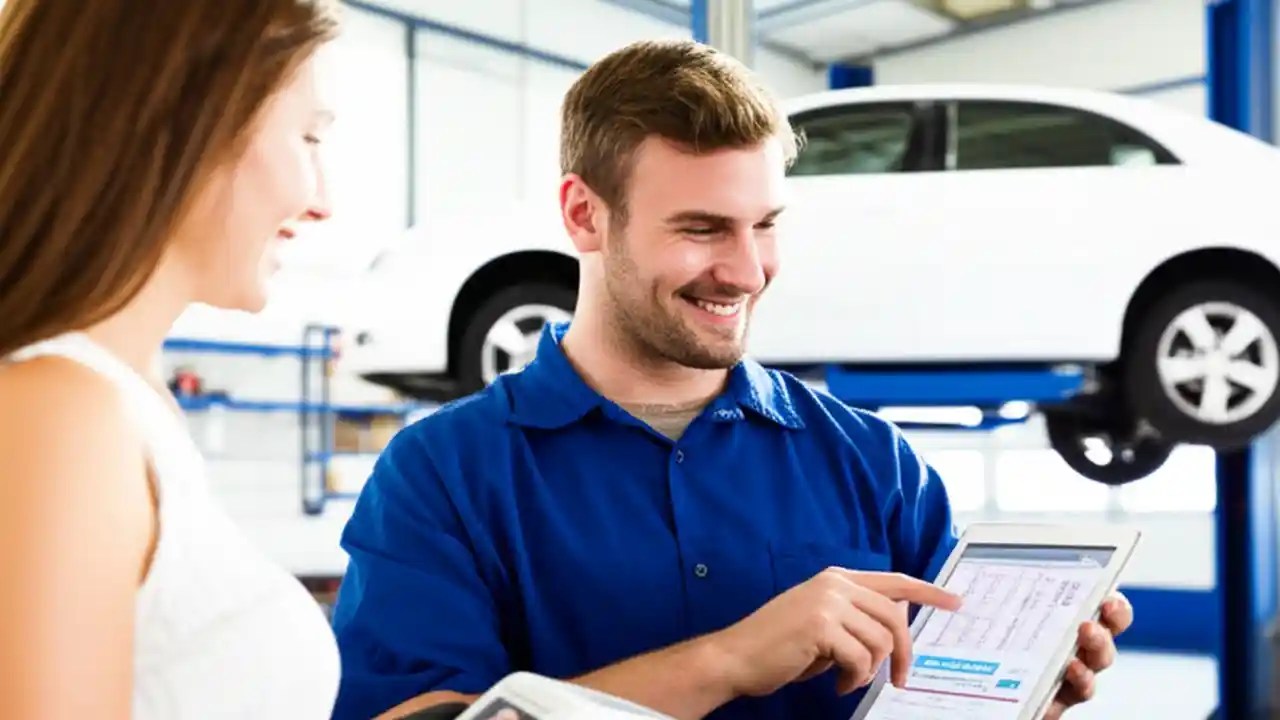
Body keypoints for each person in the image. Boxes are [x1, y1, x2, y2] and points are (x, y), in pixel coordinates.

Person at [330, 39, 1133, 720]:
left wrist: (1026, 695)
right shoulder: (440, 475)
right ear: (584, 215)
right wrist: (730, 659)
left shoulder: (874, 463)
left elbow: (927, 694)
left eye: (766, 225)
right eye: (702, 229)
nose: (747, 272)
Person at [0, 1, 343, 717]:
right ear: (193, 116)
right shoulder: (63, 414)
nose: (323, 202)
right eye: (309, 138)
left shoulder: (130, 407)